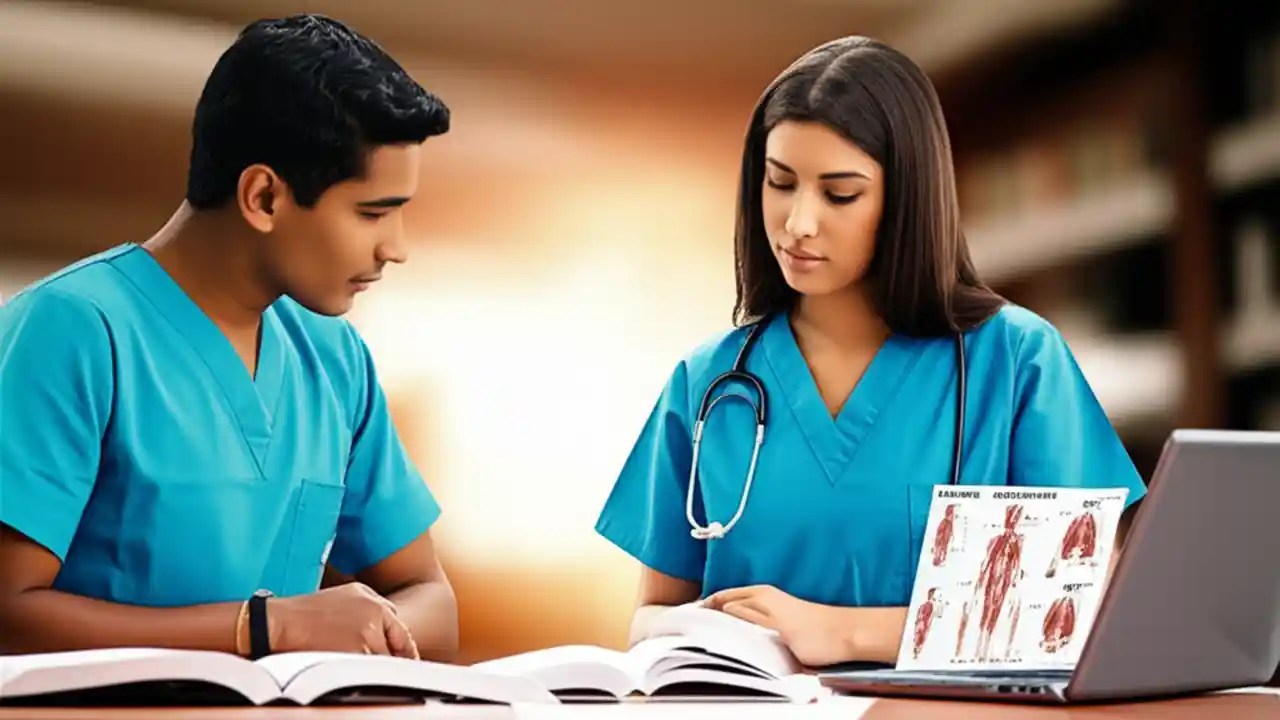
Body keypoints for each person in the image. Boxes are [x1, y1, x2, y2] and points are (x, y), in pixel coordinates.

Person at [593, 36, 1147, 667]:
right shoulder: (707, 382)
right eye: (779, 183)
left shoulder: (1016, 363)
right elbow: (651, 619)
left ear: (906, 200)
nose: (799, 223)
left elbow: (1074, 617)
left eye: (839, 194)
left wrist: (844, 632)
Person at [0, 14, 456, 661]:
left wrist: (362, 627)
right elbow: (7, 612)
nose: (396, 248)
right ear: (264, 197)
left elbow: (431, 598)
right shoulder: (71, 331)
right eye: (371, 213)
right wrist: (265, 629)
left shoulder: (336, 361)